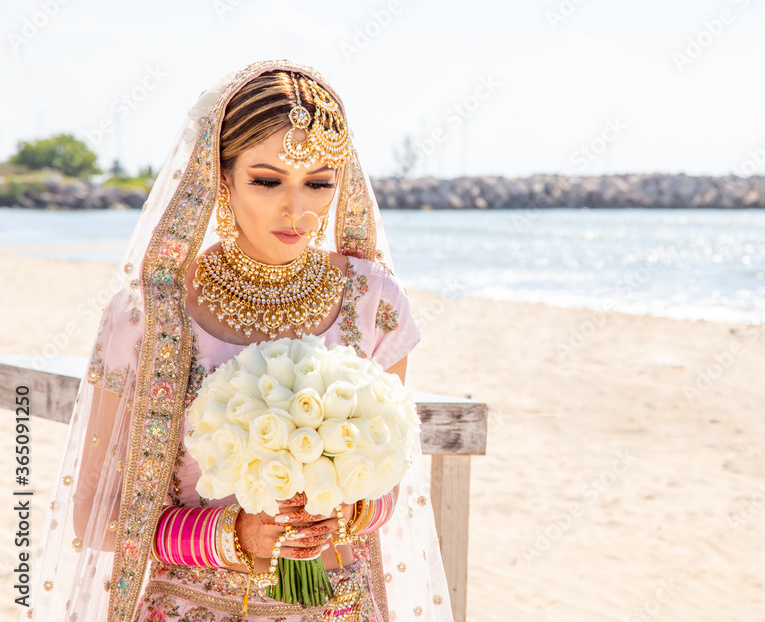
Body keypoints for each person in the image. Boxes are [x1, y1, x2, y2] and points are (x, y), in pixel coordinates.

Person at [22, 60, 453, 622]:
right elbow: (95, 517)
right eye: (268, 181)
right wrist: (233, 535)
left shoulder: (373, 301)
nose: (297, 210)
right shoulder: (150, 315)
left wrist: (344, 513)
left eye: (319, 182)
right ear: (220, 176)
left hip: (339, 607)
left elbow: (391, 481)